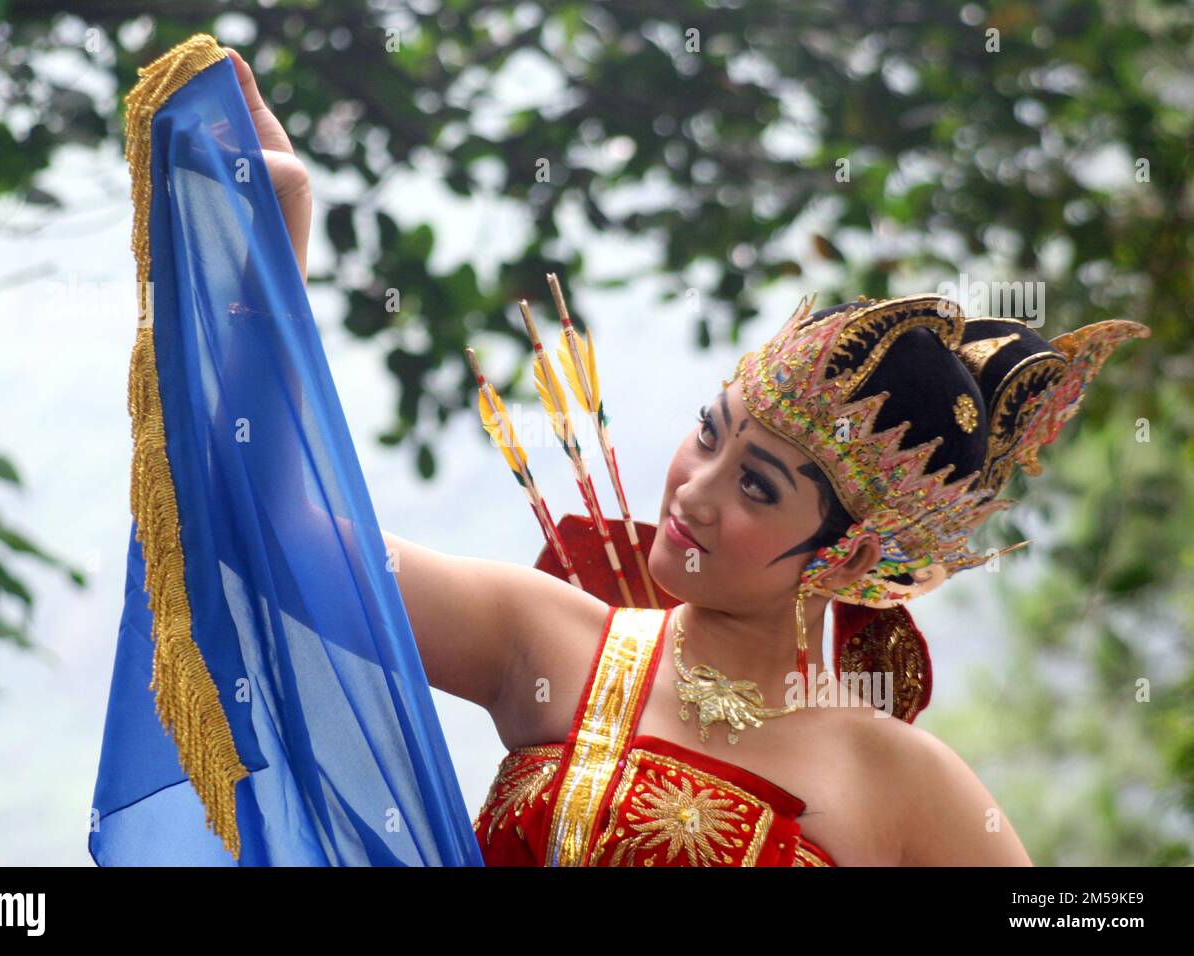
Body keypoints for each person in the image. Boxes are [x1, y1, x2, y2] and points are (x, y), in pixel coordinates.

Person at [164, 46, 1149, 867]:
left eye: (758, 485)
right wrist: (273, 246)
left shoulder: (899, 781)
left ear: (845, 556)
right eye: (711, 432)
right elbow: (265, 530)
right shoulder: (552, 644)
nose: (699, 489)